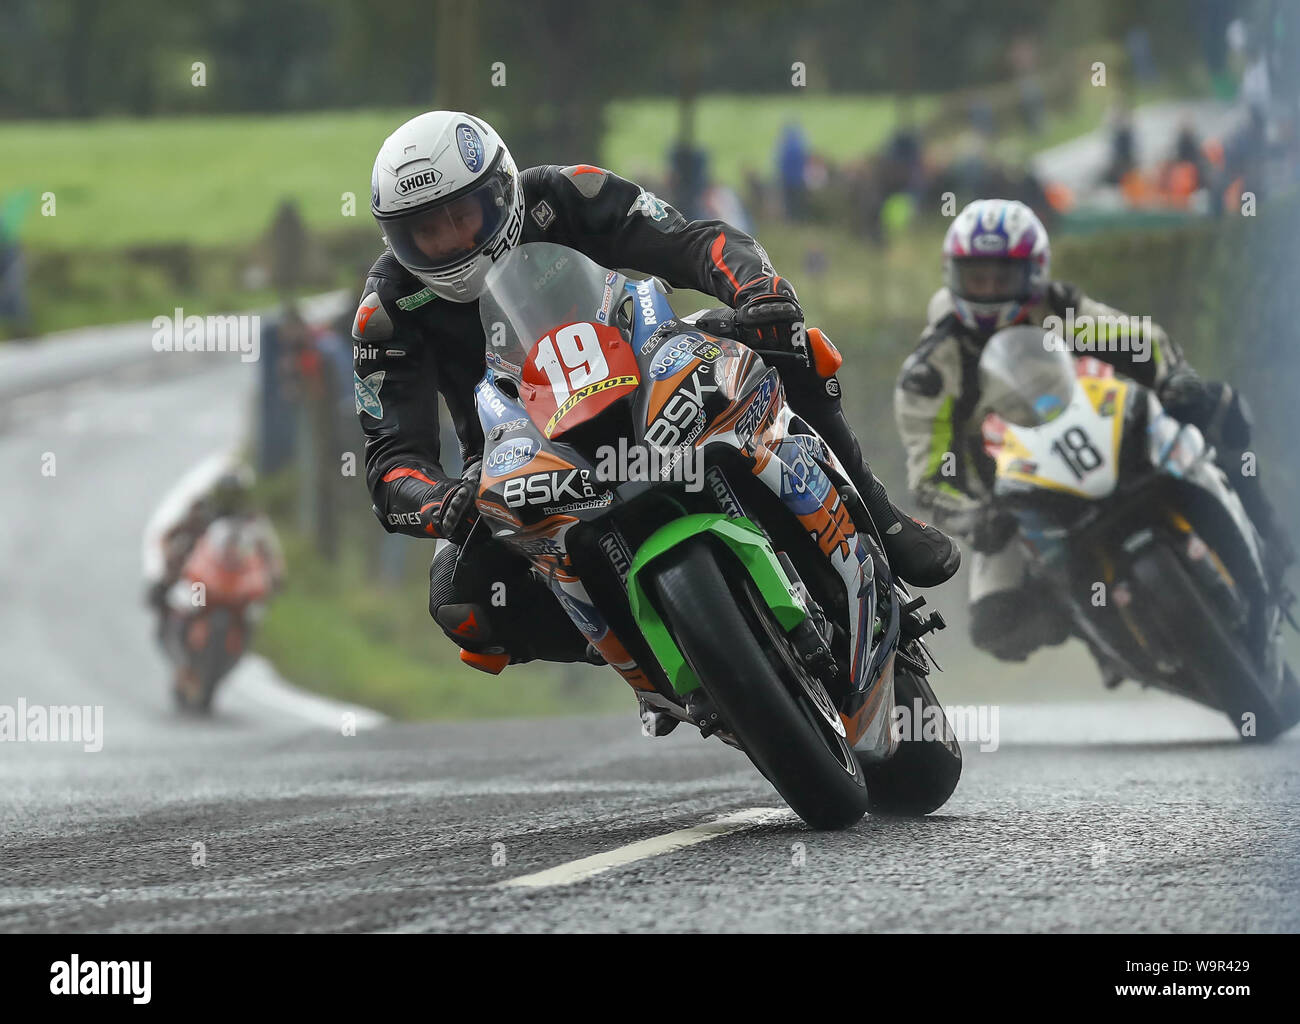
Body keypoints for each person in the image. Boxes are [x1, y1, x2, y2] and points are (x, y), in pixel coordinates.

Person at [353, 110, 961, 735]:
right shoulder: (387, 312)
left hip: (649, 359)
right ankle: (640, 652)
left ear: (500, 193)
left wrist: (755, 289)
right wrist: (438, 501)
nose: (452, 240)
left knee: (787, 341)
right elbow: (390, 457)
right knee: (458, 600)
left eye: (463, 216)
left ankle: (880, 519)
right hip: (520, 444)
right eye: (428, 230)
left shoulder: (567, 193)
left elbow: (694, 240)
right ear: (398, 239)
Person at [894, 198, 1291, 664]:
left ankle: (1268, 534)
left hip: (1098, 434)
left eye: (1003, 278)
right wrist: (974, 516)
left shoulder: (1058, 306)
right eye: (976, 278)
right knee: (995, 622)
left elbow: (1137, 343)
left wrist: (1175, 380)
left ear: (1034, 273)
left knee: (1218, 406)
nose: (989, 291)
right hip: (1012, 496)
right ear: (953, 275)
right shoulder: (930, 371)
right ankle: (1092, 620)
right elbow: (928, 474)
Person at [142, 454, 285, 627]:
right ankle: (177, 605)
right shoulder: (202, 509)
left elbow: (269, 547)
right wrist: (169, 554)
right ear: (218, 491)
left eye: (235, 494)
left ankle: (243, 619)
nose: (231, 499)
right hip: (202, 570)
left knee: (257, 597)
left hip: (235, 572)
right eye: (227, 493)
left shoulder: (252, 519)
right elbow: (174, 533)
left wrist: (276, 572)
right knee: (186, 584)